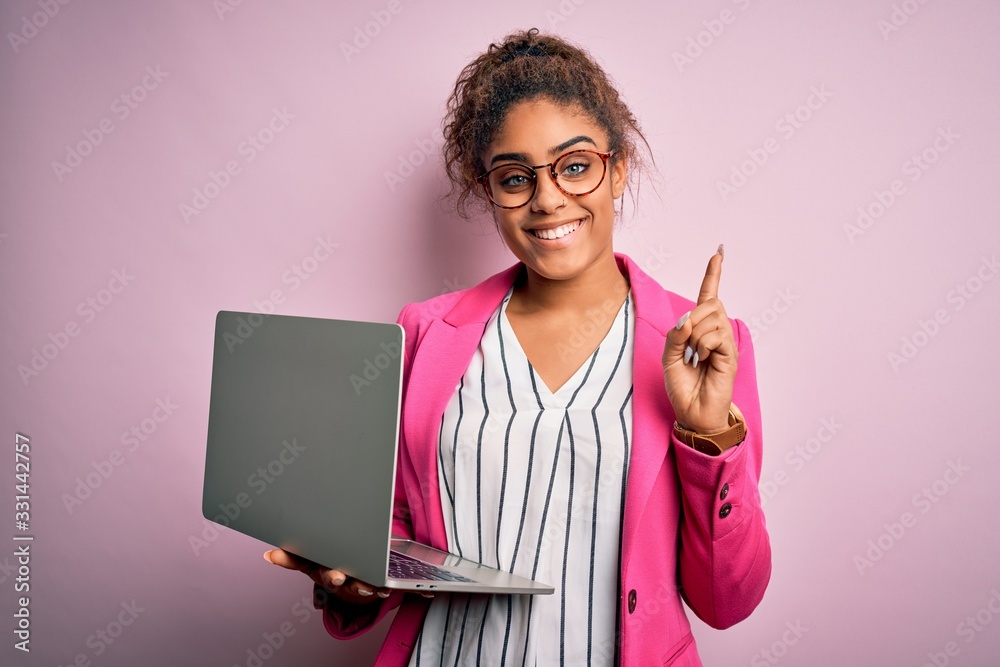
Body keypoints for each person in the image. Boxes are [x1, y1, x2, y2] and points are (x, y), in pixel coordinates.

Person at [264, 28, 771, 666]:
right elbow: (392, 535)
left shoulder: (704, 348)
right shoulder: (424, 334)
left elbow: (729, 600)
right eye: (515, 178)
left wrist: (707, 439)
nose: (549, 198)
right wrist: (358, 579)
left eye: (576, 166)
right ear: (489, 193)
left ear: (616, 170)